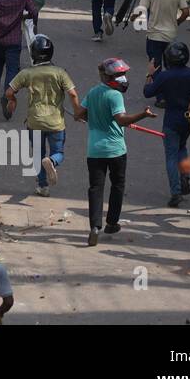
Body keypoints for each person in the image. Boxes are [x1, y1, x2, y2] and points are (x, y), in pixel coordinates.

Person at [75, 58, 154, 246]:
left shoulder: (93, 92)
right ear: (108, 76)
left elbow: (79, 113)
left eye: (123, 74)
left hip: (94, 150)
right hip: (116, 150)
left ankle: (95, 226)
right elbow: (121, 120)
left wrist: (92, 117)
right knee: (117, 185)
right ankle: (111, 223)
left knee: (96, 188)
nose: (123, 78)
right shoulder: (115, 95)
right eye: (119, 75)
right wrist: (143, 114)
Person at [5, 35, 79, 197]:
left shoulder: (27, 73)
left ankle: (43, 186)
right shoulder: (60, 73)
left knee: (38, 153)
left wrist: (12, 101)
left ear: (33, 54)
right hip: (56, 123)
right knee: (58, 152)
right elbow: (73, 94)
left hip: (35, 122)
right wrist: (77, 111)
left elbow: (9, 91)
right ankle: (52, 161)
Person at [144, 41, 190, 207]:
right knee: (182, 148)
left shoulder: (164, 76)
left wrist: (150, 75)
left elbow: (147, 92)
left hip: (171, 119)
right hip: (189, 119)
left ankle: (175, 191)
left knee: (171, 155)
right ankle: (184, 174)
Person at [137, 0, 189, 69]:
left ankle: (156, 83)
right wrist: (177, 22)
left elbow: (141, 10)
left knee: (155, 66)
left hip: (153, 36)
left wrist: (134, 19)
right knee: (171, 66)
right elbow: (186, 12)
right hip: (170, 35)